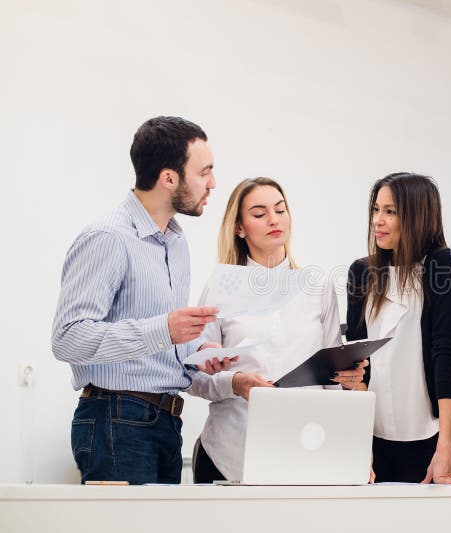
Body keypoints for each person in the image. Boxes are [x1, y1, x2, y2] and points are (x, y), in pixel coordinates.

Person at [52, 116, 232, 485]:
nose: (212, 183)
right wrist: (164, 329)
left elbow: (159, 336)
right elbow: (68, 338)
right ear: (169, 178)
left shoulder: (176, 241)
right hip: (117, 419)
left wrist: (197, 352)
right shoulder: (108, 237)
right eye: (204, 172)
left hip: (166, 420)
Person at [188, 177, 366, 483]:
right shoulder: (219, 288)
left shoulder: (317, 287)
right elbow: (194, 377)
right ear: (239, 227)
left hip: (304, 454)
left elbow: (331, 379)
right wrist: (235, 383)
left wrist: (348, 380)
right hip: (231, 453)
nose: (274, 220)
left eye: (280, 210)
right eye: (259, 214)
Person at [346, 172, 451, 485]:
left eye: (390, 211)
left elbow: (447, 353)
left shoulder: (441, 264)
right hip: (372, 438)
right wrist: (358, 440)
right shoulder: (361, 272)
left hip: (427, 436)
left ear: (417, 216)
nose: (378, 220)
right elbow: (356, 362)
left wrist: (448, 446)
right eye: (376, 210)